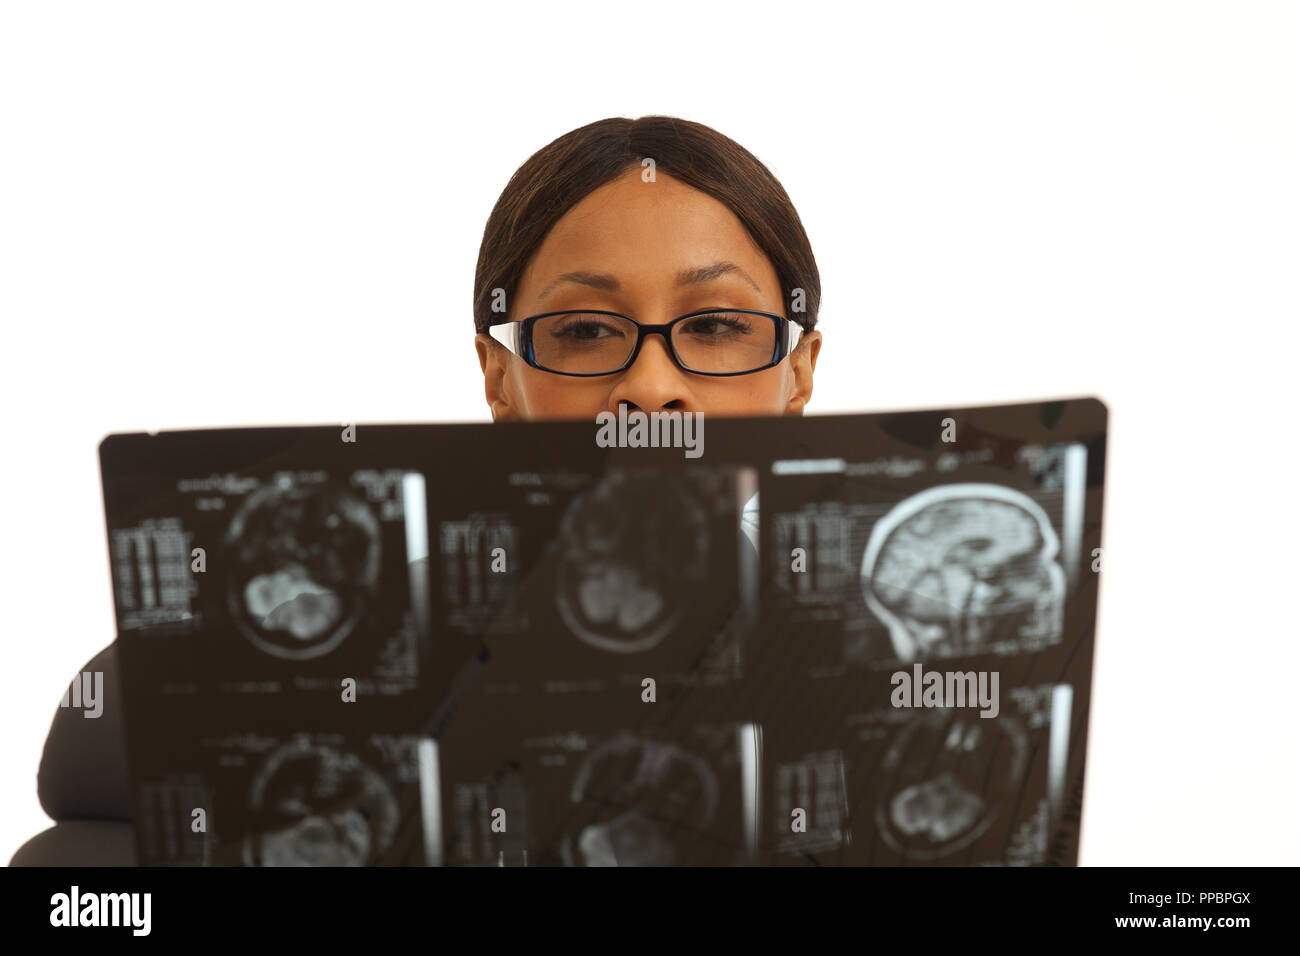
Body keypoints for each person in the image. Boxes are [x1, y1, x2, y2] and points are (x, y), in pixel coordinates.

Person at [10, 115, 823, 865]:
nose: (650, 387)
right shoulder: (327, 652)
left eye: (715, 326)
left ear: (798, 372)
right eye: (584, 331)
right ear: (500, 379)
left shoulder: (893, 669)